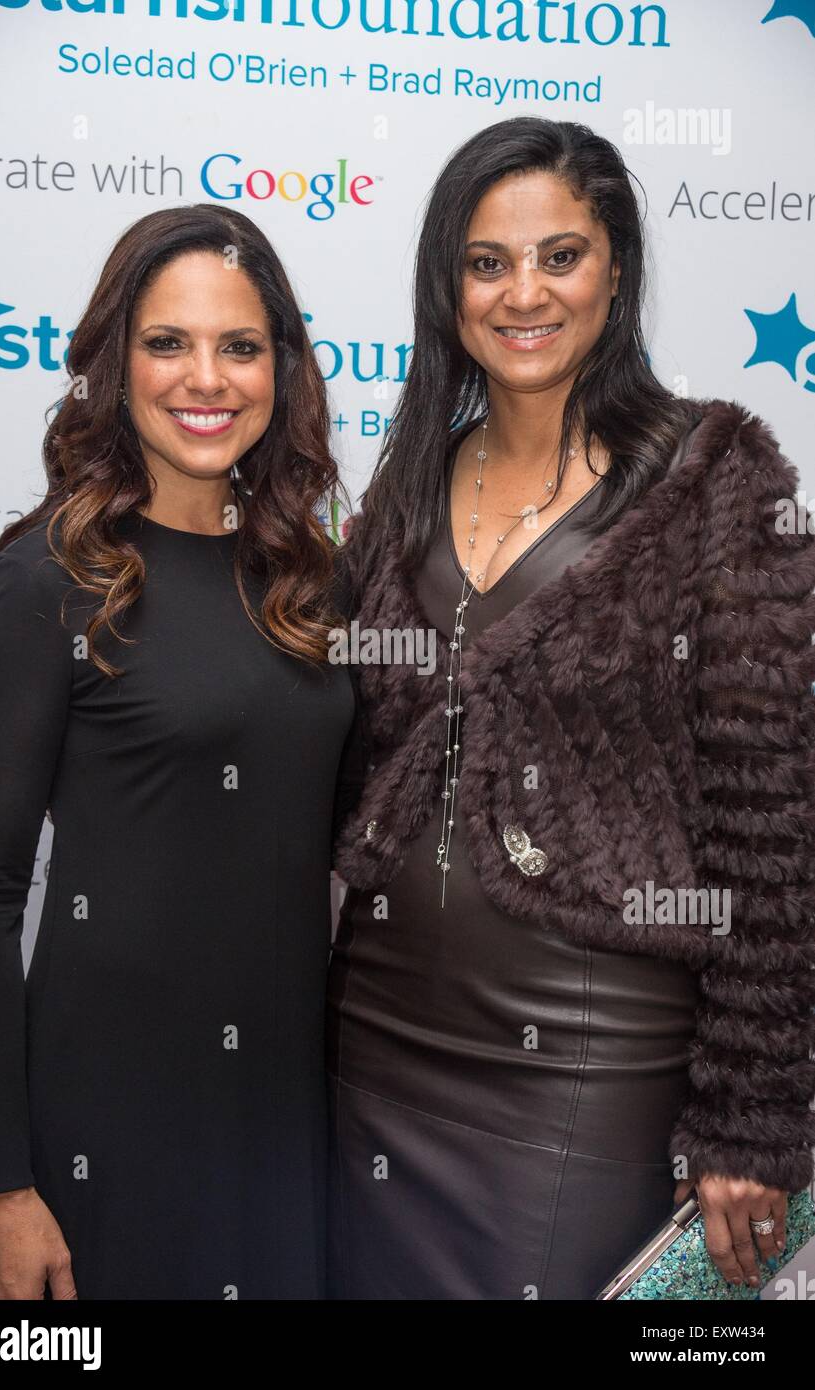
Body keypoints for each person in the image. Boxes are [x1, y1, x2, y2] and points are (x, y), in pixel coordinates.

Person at [326, 118, 815, 1300]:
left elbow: (774, 821)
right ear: (447, 286)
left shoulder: (715, 480)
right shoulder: (401, 488)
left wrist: (752, 1121)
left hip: (591, 1068)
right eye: (487, 263)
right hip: (376, 1042)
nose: (522, 293)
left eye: (561, 255)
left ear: (617, 268)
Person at [0, 203, 355, 1299]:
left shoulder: (315, 584)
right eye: (167, 342)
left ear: (283, 369)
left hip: (284, 1119)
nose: (205, 377)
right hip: (102, 1134)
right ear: (115, 365)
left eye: (240, 345)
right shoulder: (46, 580)